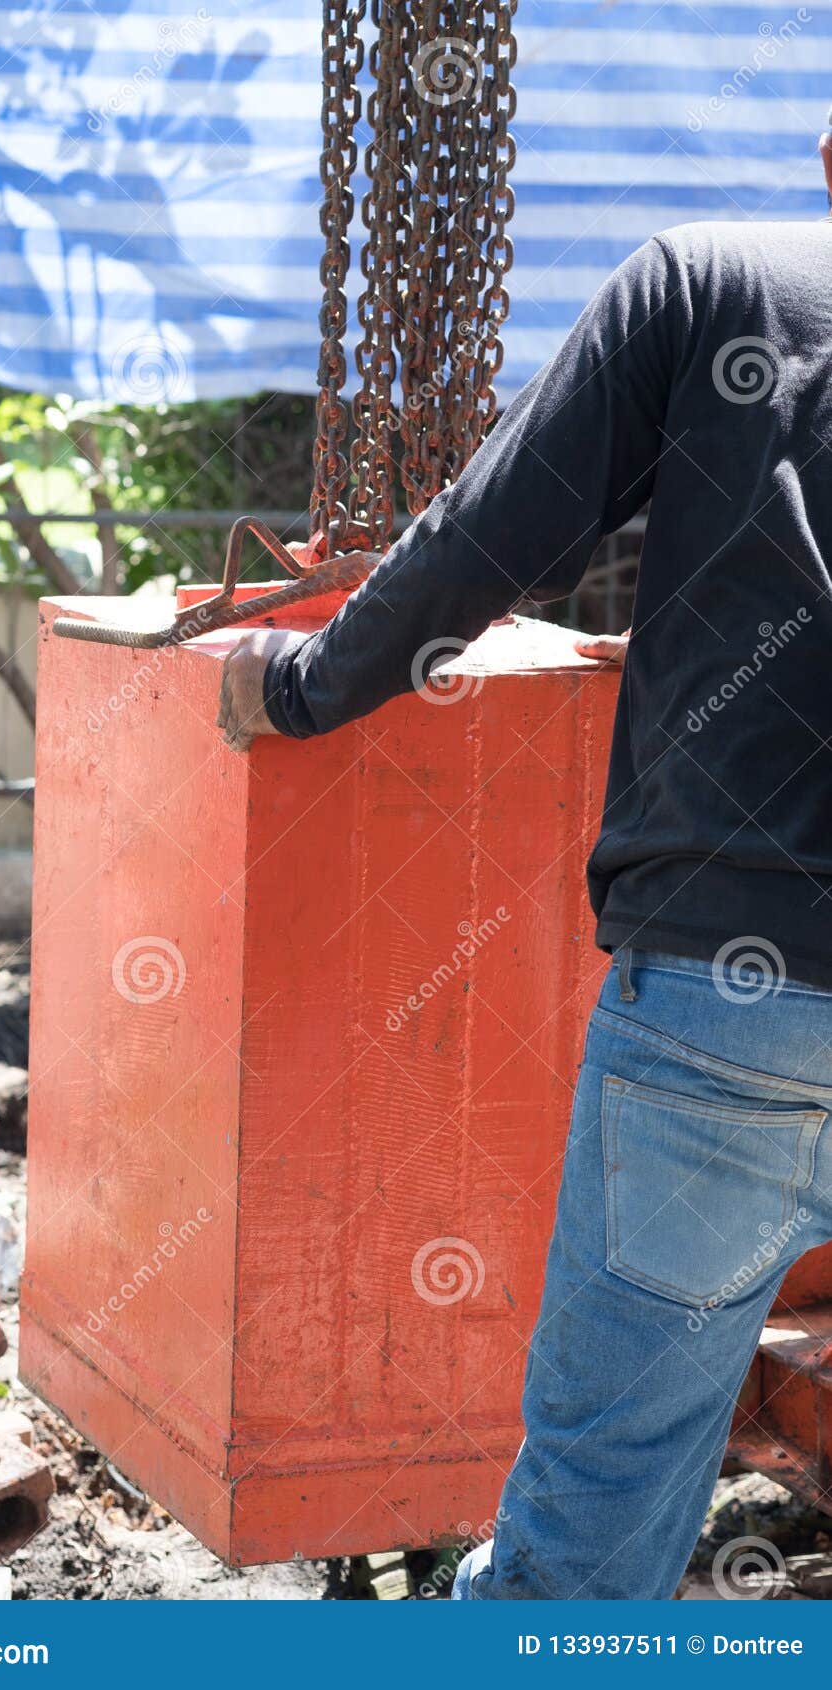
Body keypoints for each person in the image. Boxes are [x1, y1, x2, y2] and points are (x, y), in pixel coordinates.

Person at [216, 128, 832, 1599]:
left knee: (588, 1546)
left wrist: (300, 684)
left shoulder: (709, 284)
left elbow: (494, 538)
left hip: (729, 1015)